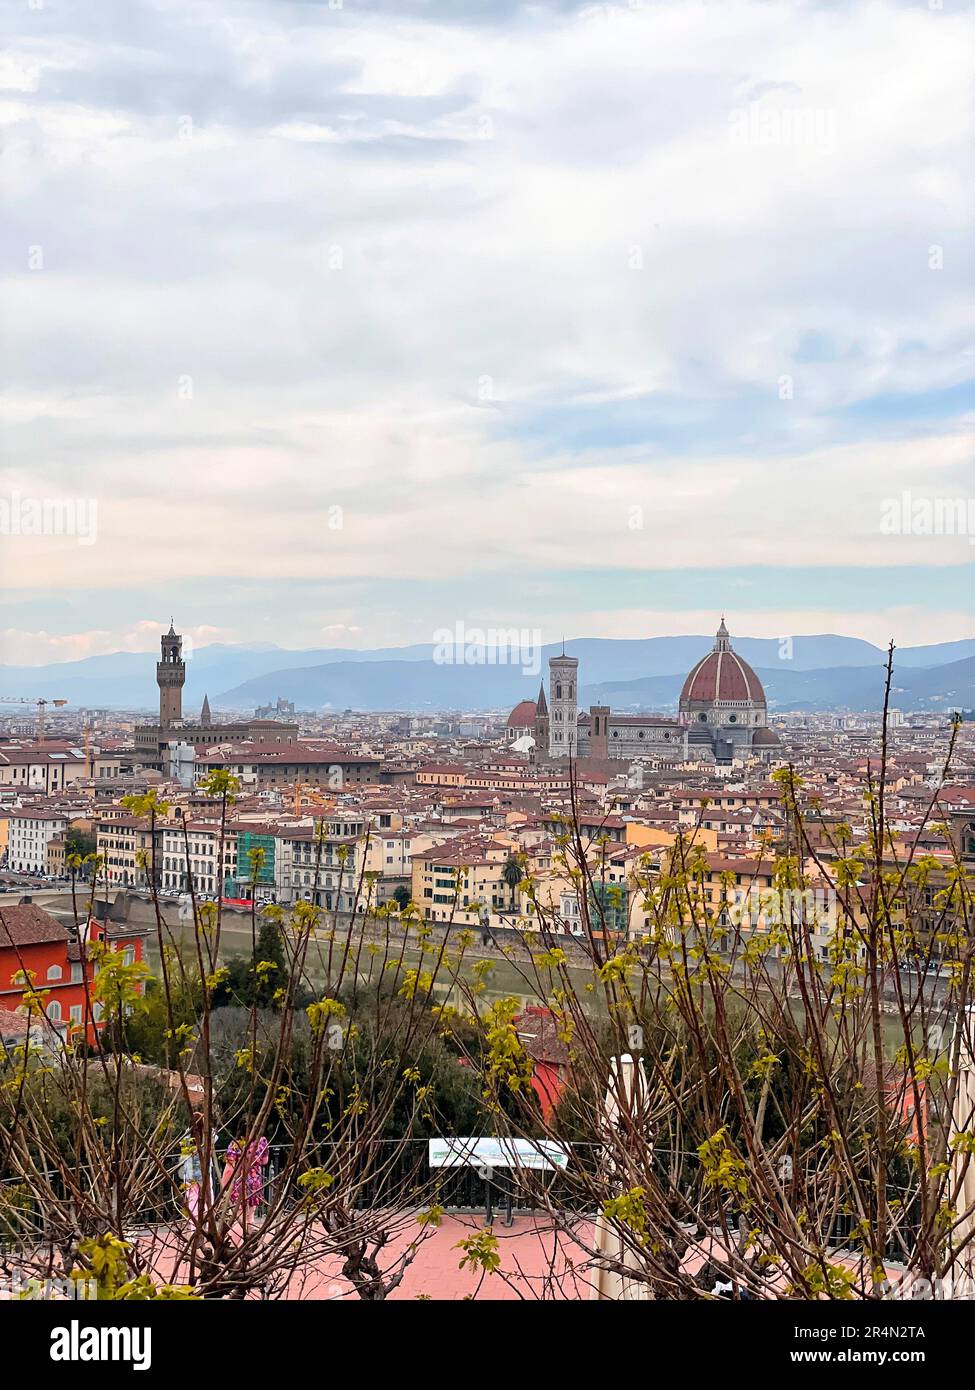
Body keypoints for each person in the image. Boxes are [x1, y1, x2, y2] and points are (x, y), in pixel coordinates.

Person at [179, 1113, 219, 1223]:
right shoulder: (207, 1136)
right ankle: (207, 1224)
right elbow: (215, 1136)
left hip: (190, 1173)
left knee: (192, 1199)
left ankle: (194, 1226)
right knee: (207, 1198)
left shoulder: (187, 1137)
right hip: (204, 1171)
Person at [222, 1134, 270, 1222]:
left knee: (238, 1216)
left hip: (239, 1183)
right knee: (250, 1216)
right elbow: (265, 1161)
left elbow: (229, 1169)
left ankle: (238, 1235)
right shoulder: (262, 1140)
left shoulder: (235, 1144)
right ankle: (249, 1234)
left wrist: (224, 1187)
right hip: (254, 1182)